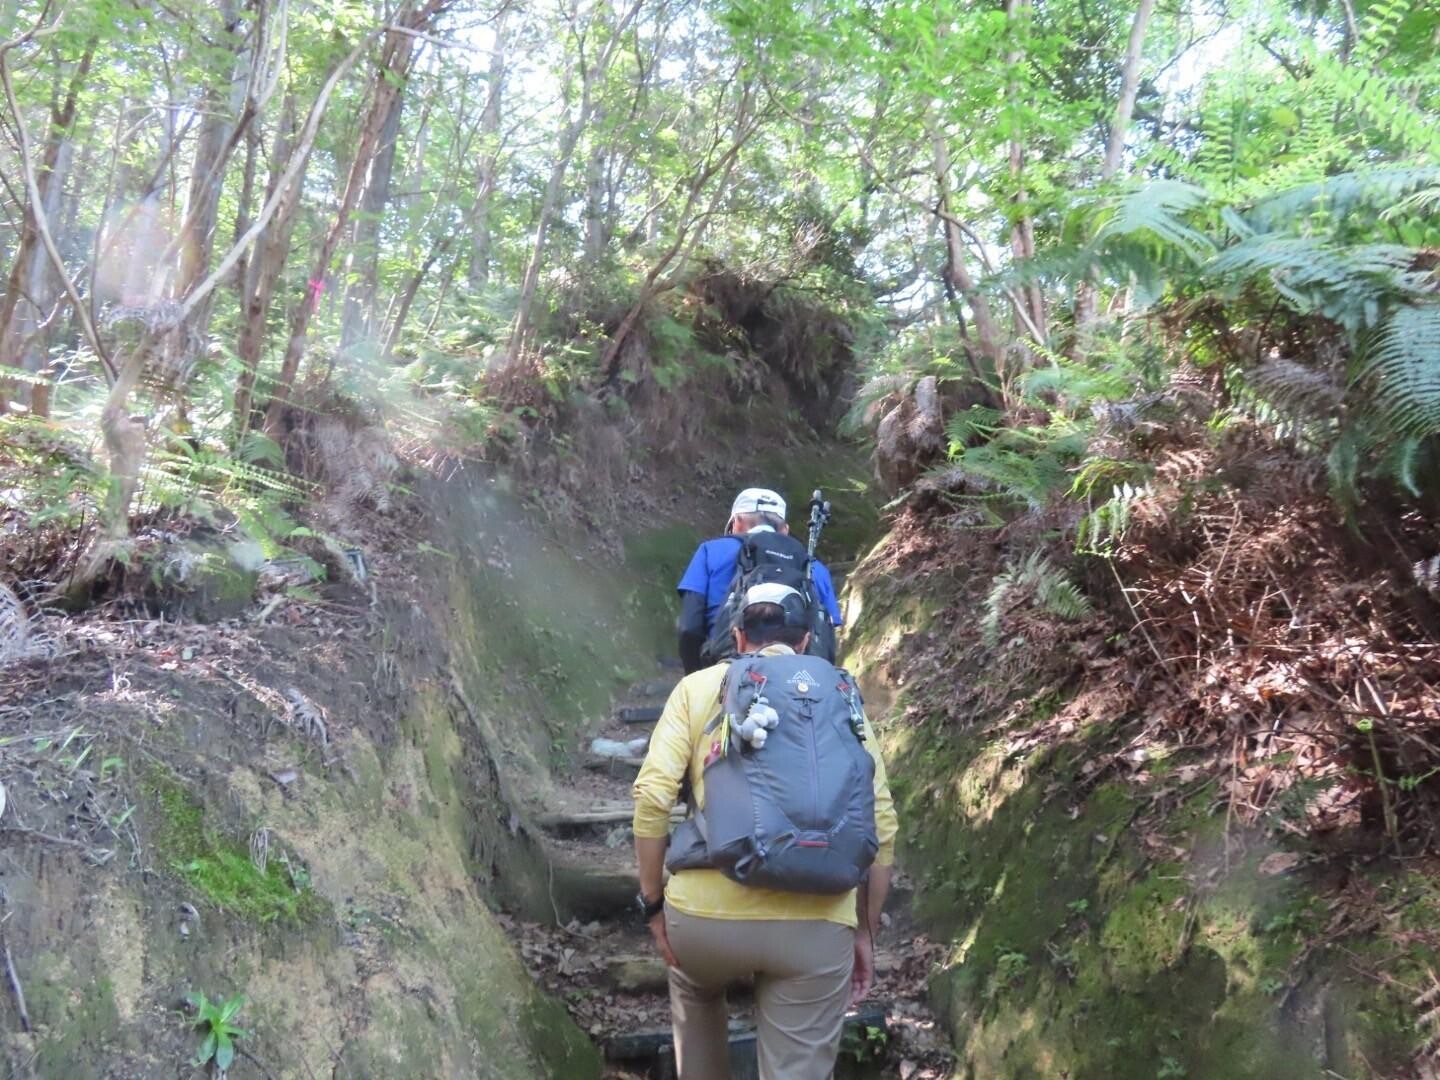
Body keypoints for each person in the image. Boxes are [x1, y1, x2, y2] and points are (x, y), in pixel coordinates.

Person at [632, 584, 898, 1080]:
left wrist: (652, 904)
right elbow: (881, 819)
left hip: (704, 917)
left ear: (736, 635)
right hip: (818, 923)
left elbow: (651, 796)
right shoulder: (840, 693)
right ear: (804, 642)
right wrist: (863, 929)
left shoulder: (698, 688)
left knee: (694, 988)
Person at [676, 487, 843, 674]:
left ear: (737, 522)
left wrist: (695, 676)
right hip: (799, 683)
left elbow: (689, 628)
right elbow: (827, 638)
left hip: (725, 674)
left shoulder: (710, 552)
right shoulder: (814, 568)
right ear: (785, 530)